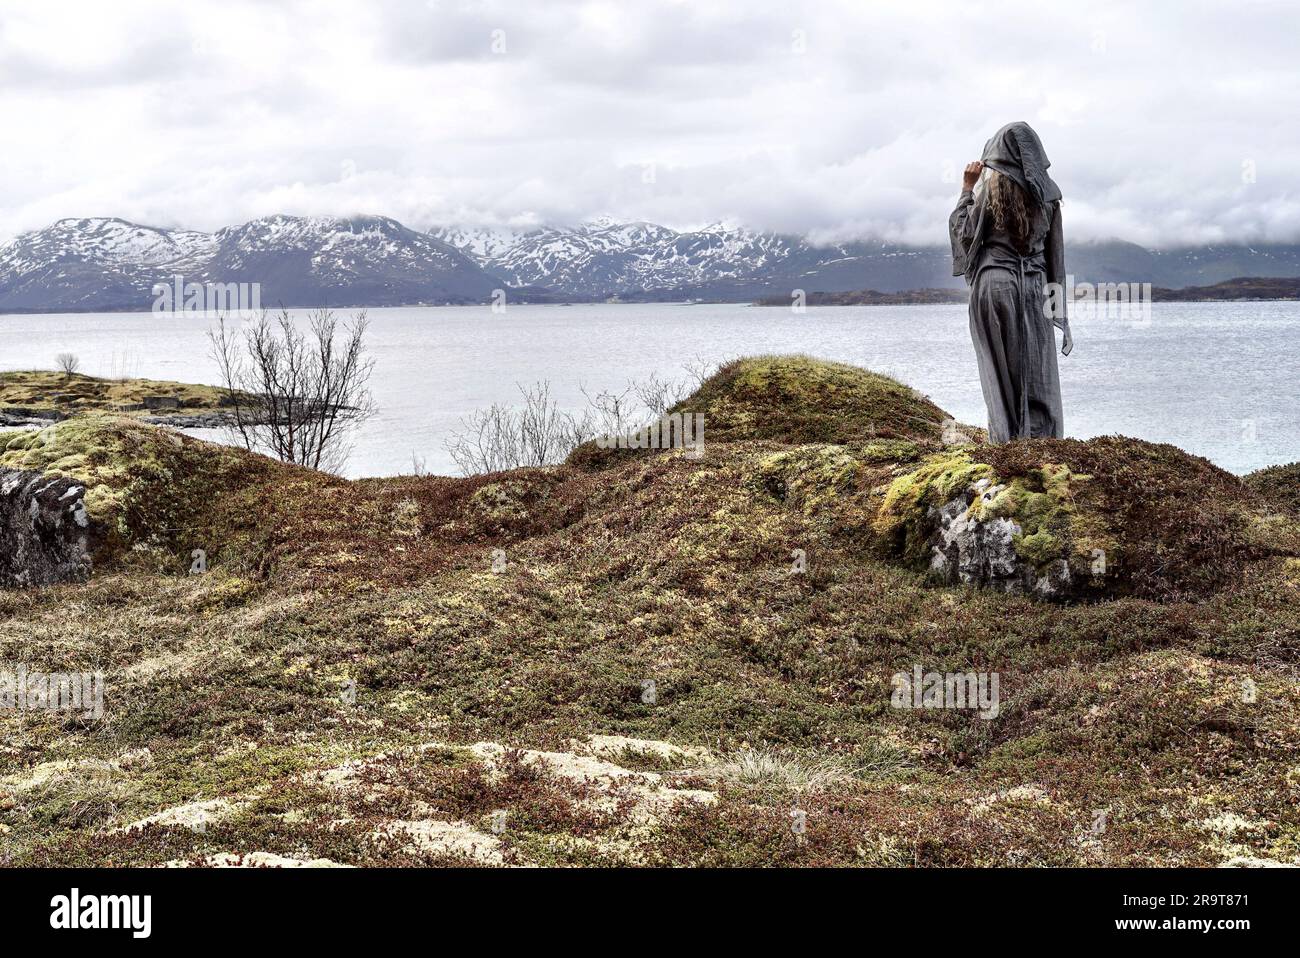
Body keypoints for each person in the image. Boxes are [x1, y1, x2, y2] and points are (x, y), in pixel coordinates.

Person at [950, 121, 1072, 442]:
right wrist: (1057, 305)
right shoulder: (1049, 197)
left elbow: (965, 236)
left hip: (995, 287)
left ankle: (1005, 442)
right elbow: (1055, 256)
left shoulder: (990, 191)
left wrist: (966, 190)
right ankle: (1042, 442)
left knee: (999, 369)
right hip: (1035, 290)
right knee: (1037, 368)